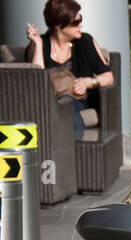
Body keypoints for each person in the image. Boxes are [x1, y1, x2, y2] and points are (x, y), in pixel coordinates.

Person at [26, 0, 115, 139]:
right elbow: (36, 79)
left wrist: (88, 82)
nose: (80, 25)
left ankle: (68, 155)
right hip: (47, 102)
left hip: (76, 102)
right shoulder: (41, 44)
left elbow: (109, 77)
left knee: (66, 105)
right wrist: (37, 44)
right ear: (58, 25)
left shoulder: (85, 42)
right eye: (75, 22)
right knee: (60, 108)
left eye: (80, 20)